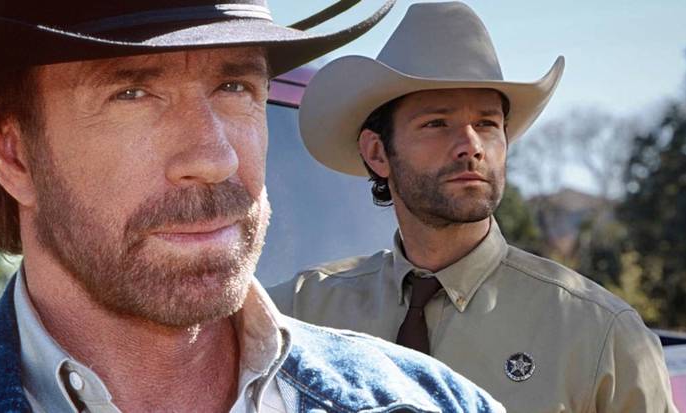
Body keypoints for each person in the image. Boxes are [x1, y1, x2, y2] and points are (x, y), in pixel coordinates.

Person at [0, 1, 509, 412]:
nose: (215, 157)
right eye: (133, 94)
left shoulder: (437, 403)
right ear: (12, 152)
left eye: (235, 86)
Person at [268, 2, 677, 412]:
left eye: (487, 124)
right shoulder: (298, 314)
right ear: (377, 153)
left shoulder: (600, 335)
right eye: (436, 123)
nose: (472, 146)